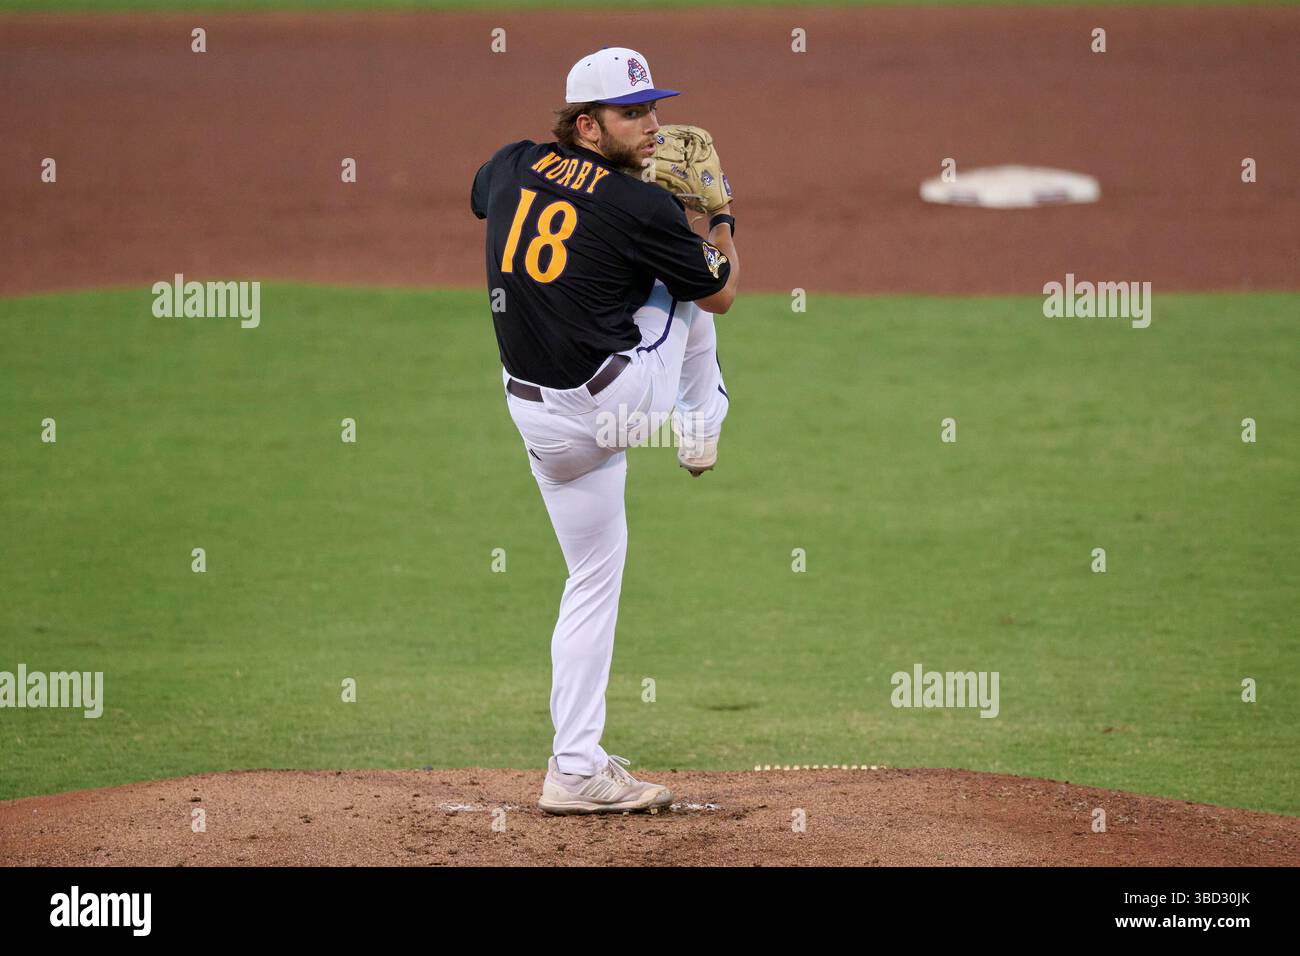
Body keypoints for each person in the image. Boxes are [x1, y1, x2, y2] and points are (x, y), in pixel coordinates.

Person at [471, 47, 740, 815]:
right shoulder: (643, 210)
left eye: (652, 107)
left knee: (591, 578)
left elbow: (481, 194)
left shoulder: (513, 162)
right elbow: (722, 293)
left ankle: (576, 768)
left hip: (536, 421)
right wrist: (718, 215)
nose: (654, 125)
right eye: (633, 114)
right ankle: (701, 426)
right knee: (683, 287)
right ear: (587, 126)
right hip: (616, 408)